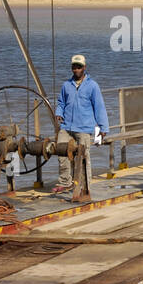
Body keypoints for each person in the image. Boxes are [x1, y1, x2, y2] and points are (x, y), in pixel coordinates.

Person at [52, 54, 109, 195]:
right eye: (74, 67)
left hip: (84, 128)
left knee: (83, 157)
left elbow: (99, 107)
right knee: (61, 154)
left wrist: (103, 128)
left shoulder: (92, 86)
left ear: (84, 67)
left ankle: (85, 185)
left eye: (78, 67)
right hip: (66, 127)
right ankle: (65, 182)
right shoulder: (66, 85)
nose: (76, 69)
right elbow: (61, 102)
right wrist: (59, 112)